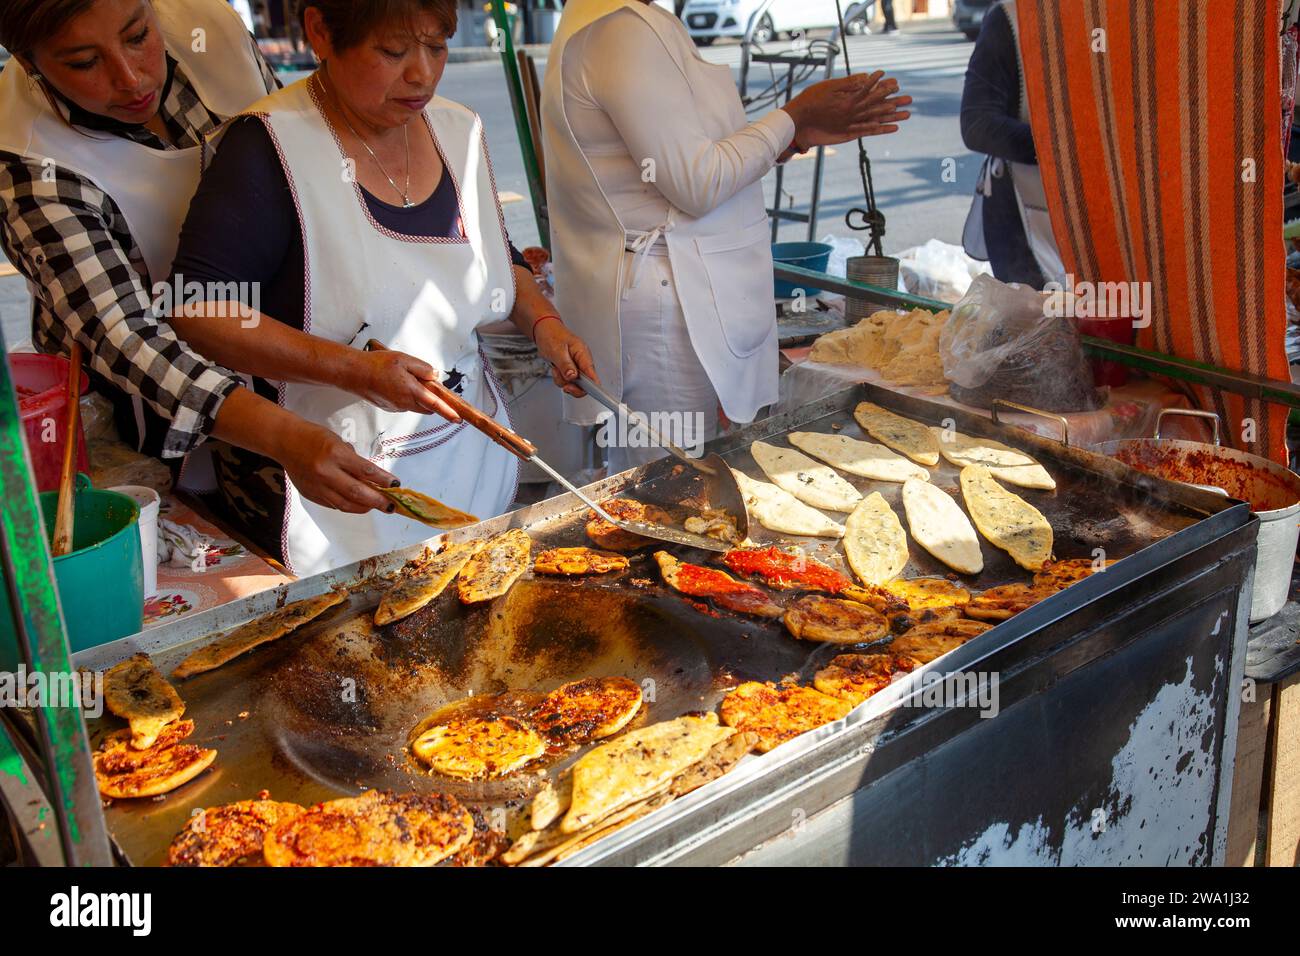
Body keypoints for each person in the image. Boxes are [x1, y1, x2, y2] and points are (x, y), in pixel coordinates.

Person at [167, 0, 599, 576]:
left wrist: (545, 323)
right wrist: (354, 369)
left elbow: (502, 258)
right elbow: (200, 312)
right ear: (321, 30)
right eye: (393, 52)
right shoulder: (270, 147)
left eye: (437, 47)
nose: (422, 73)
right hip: (334, 484)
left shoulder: (458, 128)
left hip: (466, 462)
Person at [542, 0, 910, 473]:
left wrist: (793, 137)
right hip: (669, 307)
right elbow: (696, 183)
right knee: (671, 484)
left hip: (676, 295)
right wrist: (793, 117)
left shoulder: (631, 21)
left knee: (690, 479)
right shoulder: (618, 29)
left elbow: (692, 157)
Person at [0, 0, 312, 474]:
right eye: (85, 62)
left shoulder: (214, 29)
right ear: (28, 62)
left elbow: (300, 168)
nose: (131, 79)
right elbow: (126, 335)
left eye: (138, 35)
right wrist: (287, 437)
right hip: (149, 419)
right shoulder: (28, 162)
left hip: (285, 358)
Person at [959, 0, 1062, 289]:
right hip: (1024, 213)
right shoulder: (1012, 17)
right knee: (1042, 325)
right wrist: (1071, 149)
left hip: (1101, 211)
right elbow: (977, 124)